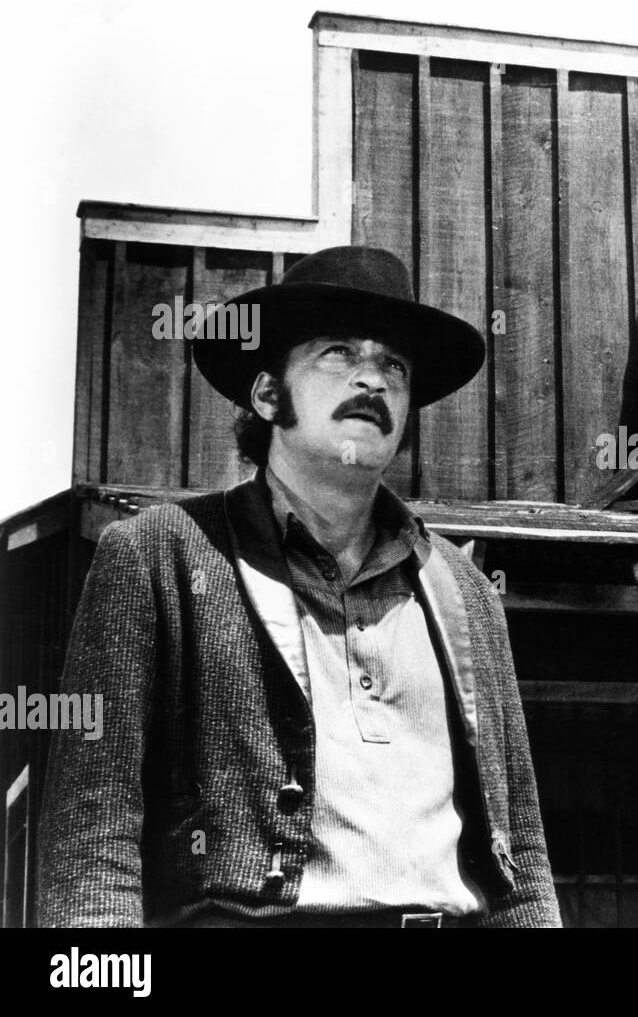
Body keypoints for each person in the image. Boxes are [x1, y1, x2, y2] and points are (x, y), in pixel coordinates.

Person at [38, 246, 561, 928]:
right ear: (266, 393)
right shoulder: (157, 555)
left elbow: (519, 853)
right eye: (339, 353)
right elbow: (92, 841)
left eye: (394, 366)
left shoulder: (465, 593)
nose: (373, 378)